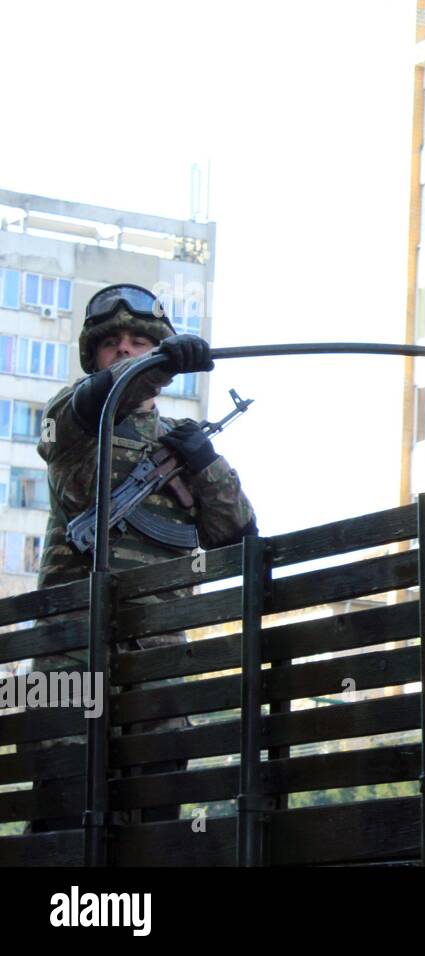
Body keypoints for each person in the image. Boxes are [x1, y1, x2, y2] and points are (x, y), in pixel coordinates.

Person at [24, 283, 256, 831]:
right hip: (69, 654)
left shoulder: (182, 442)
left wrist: (206, 464)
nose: (125, 351)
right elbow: (91, 405)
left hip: (159, 657)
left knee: (155, 817)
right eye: (113, 344)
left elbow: (238, 536)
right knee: (64, 814)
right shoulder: (72, 419)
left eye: (138, 341)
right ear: (94, 355)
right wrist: (162, 363)